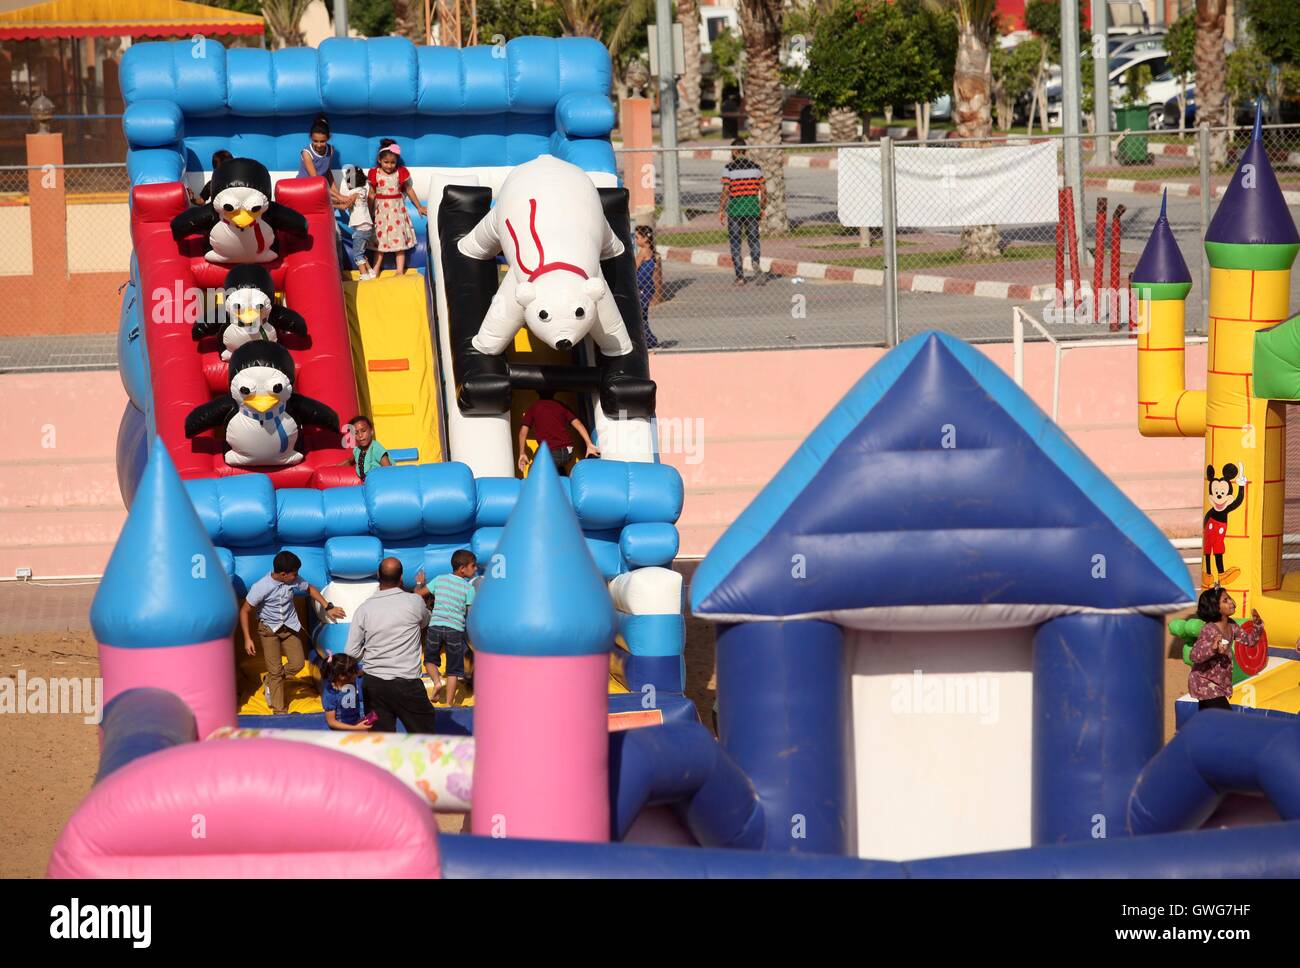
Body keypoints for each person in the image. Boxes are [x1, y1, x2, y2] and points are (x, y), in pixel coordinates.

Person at [239, 550, 345, 715]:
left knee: (297, 664)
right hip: (269, 630)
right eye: (294, 574)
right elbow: (245, 610)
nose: (297, 577)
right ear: (282, 574)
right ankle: (279, 710)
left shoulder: (293, 580)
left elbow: (310, 589)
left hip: (289, 627)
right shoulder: (261, 587)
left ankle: (271, 680)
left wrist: (328, 607)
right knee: (275, 670)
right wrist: (247, 638)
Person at [344, 557, 439, 733]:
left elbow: (351, 652)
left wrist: (373, 655)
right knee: (425, 739)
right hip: (407, 683)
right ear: (401, 578)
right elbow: (425, 621)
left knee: (381, 741)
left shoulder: (364, 609)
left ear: (378, 575)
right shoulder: (414, 602)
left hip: (374, 684)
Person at [416, 550, 477, 707]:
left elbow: (418, 594)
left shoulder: (440, 579)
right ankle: (449, 703)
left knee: (429, 660)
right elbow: (470, 616)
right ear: (462, 568)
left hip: (435, 627)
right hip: (455, 630)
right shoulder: (469, 589)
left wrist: (419, 583)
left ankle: (436, 682)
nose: (476, 569)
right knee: (453, 670)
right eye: (473, 566)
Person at [1188, 584, 1263, 711]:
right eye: (1225, 600)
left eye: (1229, 598)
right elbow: (1194, 656)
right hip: (1205, 684)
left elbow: (1250, 641)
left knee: (1210, 723)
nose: (1231, 602)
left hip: (1219, 686)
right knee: (1226, 719)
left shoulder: (1232, 626)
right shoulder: (1209, 630)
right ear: (1215, 608)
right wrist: (1212, 649)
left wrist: (1258, 625)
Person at [367, 139, 426, 277]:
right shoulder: (375, 173)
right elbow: (371, 194)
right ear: (379, 160)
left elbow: (409, 190)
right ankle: (375, 269)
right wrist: (369, 214)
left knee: (399, 242)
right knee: (379, 244)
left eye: (392, 162)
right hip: (381, 213)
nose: (389, 165)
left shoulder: (400, 172)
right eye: (386, 162)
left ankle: (400, 270)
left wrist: (419, 206)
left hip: (396, 213)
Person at [517, 389, 599, 477]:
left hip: (552, 452)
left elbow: (523, 432)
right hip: (568, 452)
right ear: (554, 393)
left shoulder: (534, 407)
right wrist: (589, 444)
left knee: (535, 475)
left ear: (537, 392)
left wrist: (522, 453)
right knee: (557, 468)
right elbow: (578, 424)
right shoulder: (561, 406)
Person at [719, 138, 767, 286]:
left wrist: (721, 209)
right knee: (753, 240)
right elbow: (763, 190)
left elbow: (726, 190)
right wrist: (762, 207)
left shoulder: (729, 168)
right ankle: (755, 263)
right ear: (745, 150)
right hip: (752, 208)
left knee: (735, 243)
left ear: (734, 151)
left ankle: (740, 277)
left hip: (735, 210)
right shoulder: (756, 168)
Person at [298, 113, 361, 208]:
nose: (319, 145)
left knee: (345, 199)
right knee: (341, 200)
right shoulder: (307, 153)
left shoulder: (331, 150)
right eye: (315, 141)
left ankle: (340, 204)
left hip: (320, 188)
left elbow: (328, 174)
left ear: (328, 138)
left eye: (322, 141)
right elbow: (316, 181)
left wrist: (338, 194)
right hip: (306, 188)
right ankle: (338, 205)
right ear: (311, 138)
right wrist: (339, 198)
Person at [320, 653, 373, 731]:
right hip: (339, 731)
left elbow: (362, 671)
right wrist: (355, 728)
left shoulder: (349, 676)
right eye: (354, 671)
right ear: (342, 676)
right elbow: (331, 722)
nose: (357, 673)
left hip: (355, 723)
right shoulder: (330, 694)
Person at [634, 224, 664, 349]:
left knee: (640, 316)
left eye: (637, 237)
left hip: (642, 289)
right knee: (643, 315)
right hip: (647, 288)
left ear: (645, 239)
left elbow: (634, 268)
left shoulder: (643, 252)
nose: (635, 240)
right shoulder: (651, 252)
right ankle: (649, 340)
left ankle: (649, 341)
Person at [338, 414, 391, 481]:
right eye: (355, 433)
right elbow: (349, 462)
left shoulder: (375, 448)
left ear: (371, 431)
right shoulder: (357, 450)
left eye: (363, 431)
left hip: (381, 483)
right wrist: (333, 468)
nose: (360, 435)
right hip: (368, 485)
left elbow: (389, 470)